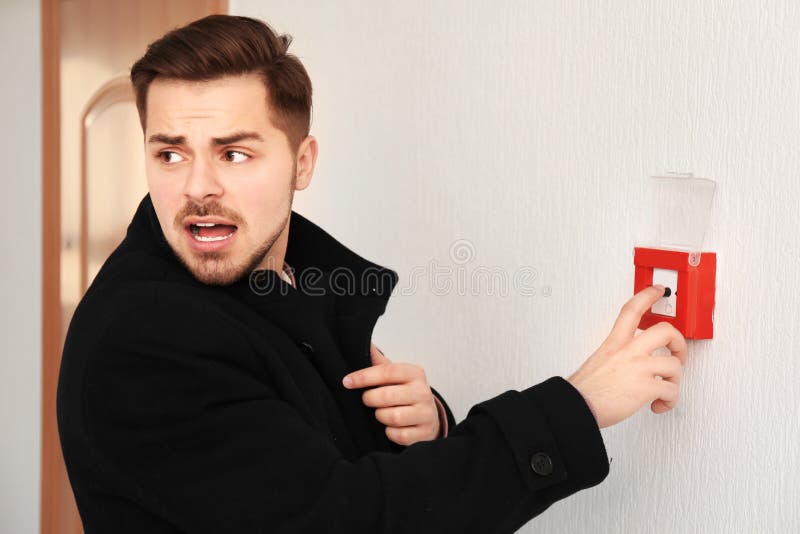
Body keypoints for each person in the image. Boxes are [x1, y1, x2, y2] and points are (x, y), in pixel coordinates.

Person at [57, 14, 686, 534]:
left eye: (234, 153)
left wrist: (426, 424)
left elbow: (320, 467)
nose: (197, 188)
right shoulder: (142, 338)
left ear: (302, 163)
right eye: (170, 153)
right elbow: (350, 518)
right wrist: (578, 406)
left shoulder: (292, 283)